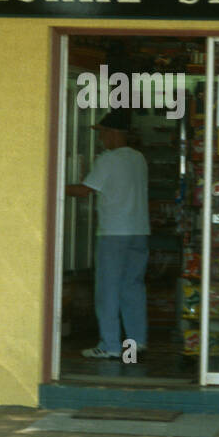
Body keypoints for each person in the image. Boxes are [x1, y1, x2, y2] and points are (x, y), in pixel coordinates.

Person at [65, 109, 149, 363]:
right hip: (140, 231)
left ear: (113, 134)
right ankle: (136, 344)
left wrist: (51, 184)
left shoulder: (108, 160)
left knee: (108, 290)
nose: (101, 139)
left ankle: (110, 345)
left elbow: (83, 191)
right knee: (132, 288)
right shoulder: (139, 159)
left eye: (102, 134)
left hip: (114, 233)